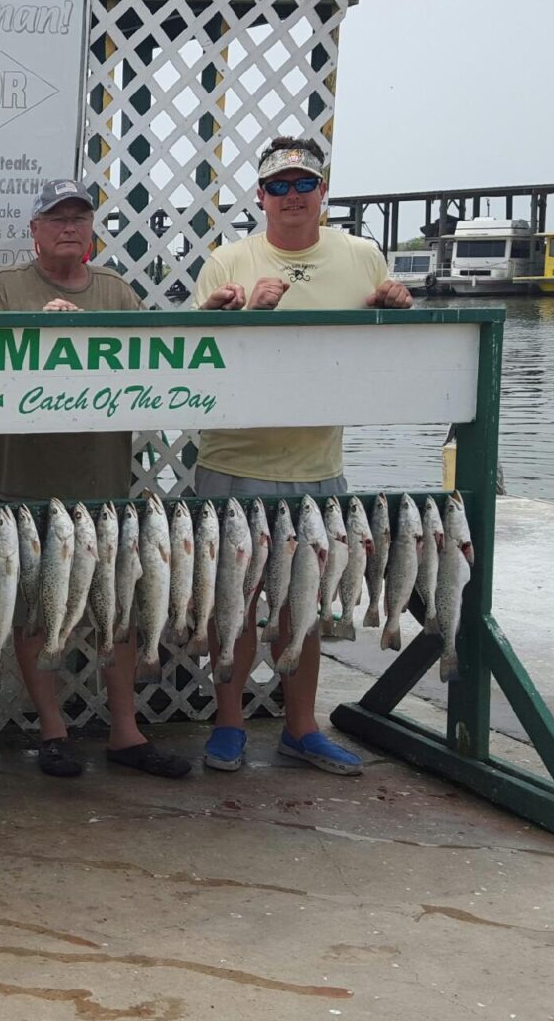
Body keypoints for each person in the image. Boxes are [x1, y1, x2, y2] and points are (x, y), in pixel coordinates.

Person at [193, 135, 412, 777]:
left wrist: (396, 308)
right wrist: (233, 318)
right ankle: (228, 723)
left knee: (304, 605)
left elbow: (389, 355)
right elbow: (196, 362)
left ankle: (301, 726)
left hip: (319, 462)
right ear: (260, 197)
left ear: (322, 194)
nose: (292, 196)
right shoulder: (226, 260)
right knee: (232, 600)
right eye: (278, 186)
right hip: (233, 458)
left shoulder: (363, 256)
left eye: (303, 184)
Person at [0, 179, 194, 782]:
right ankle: (53, 731)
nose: (69, 227)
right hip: (24, 484)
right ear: (34, 230)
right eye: (56, 218)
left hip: (103, 484)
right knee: (35, 612)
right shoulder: (4, 287)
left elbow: (145, 366)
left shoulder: (116, 292)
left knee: (117, 610)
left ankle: (127, 733)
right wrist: (39, 327)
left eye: (79, 217)